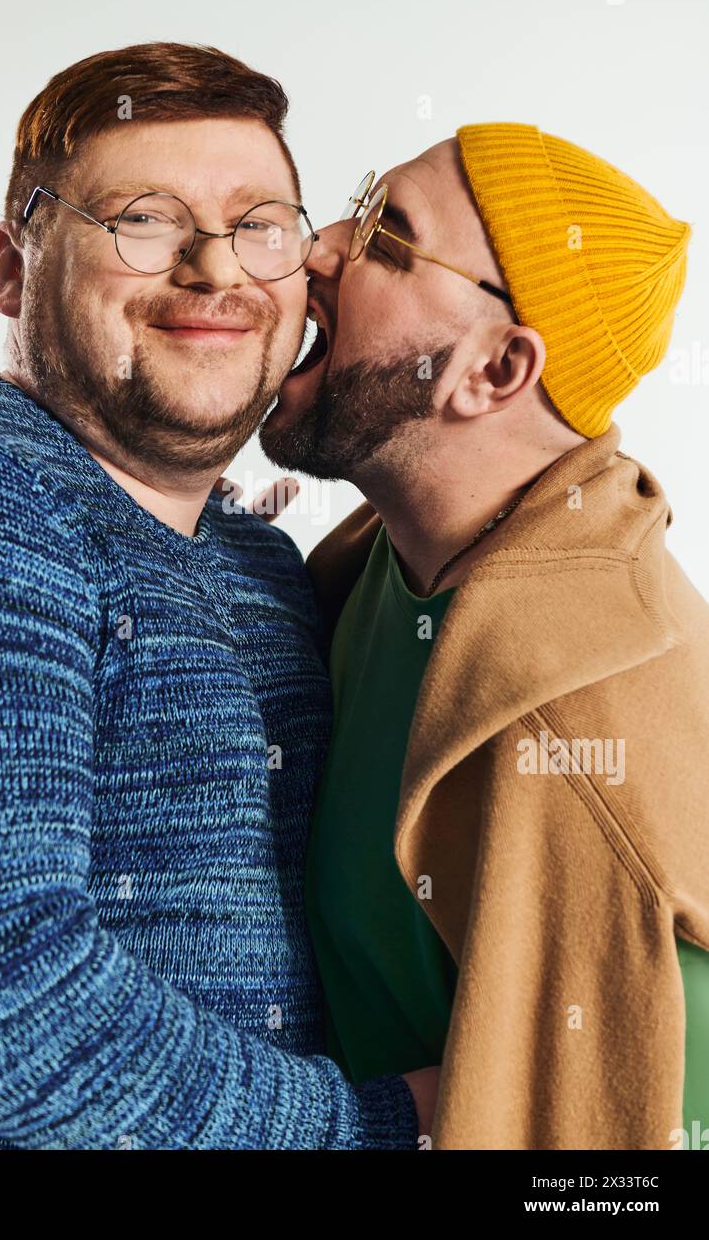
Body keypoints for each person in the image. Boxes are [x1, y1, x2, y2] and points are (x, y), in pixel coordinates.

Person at [0, 42, 429, 1150]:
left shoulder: (257, 561)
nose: (215, 272)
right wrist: (376, 1130)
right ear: (11, 271)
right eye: (144, 220)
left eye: (260, 225)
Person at [260, 124, 709, 1148]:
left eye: (387, 238)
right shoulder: (389, 555)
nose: (321, 242)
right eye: (360, 202)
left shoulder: (572, 734)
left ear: (493, 368)